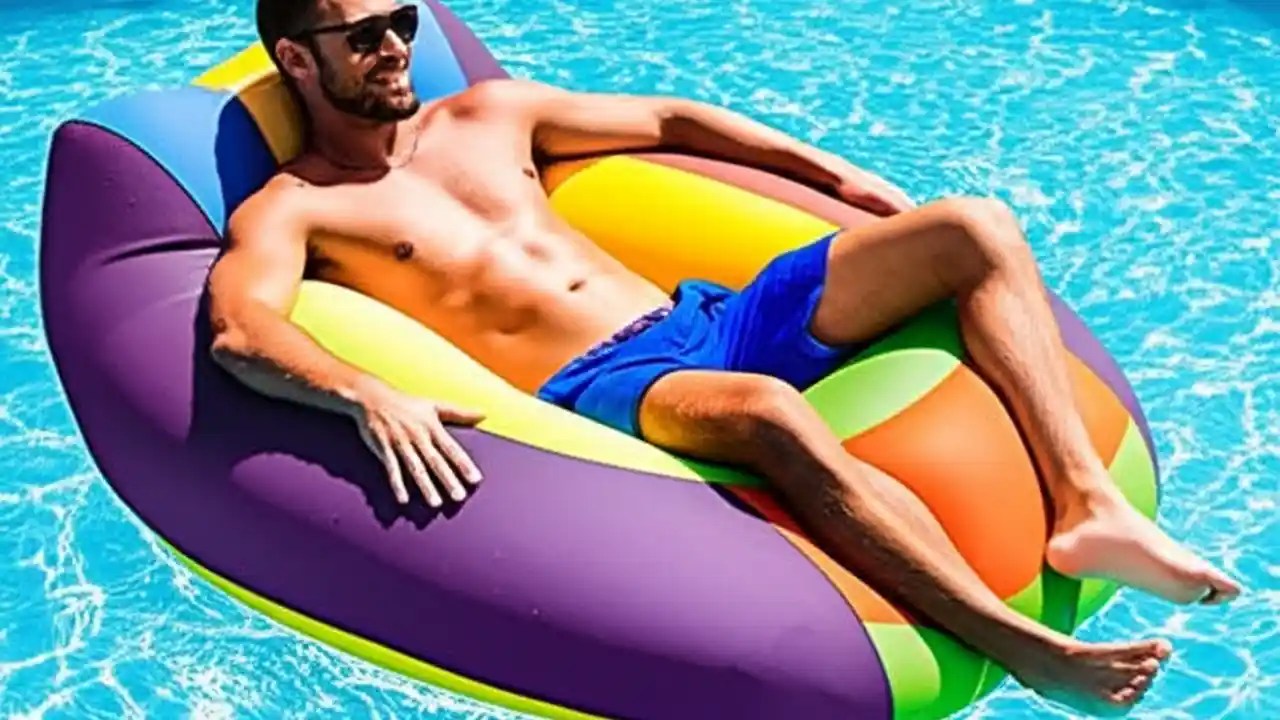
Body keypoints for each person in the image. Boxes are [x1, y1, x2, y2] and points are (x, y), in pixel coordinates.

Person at [208, 0, 1242, 714]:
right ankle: (1026, 653)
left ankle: (1081, 507)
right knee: (766, 412)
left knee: (969, 228)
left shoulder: (490, 113)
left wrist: (830, 171)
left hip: (707, 316)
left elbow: (671, 118)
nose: (394, 47)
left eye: (403, 23)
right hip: (605, 383)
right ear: (297, 57)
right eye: (363, 34)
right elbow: (243, 329)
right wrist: (365, 395)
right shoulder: (297, 208)